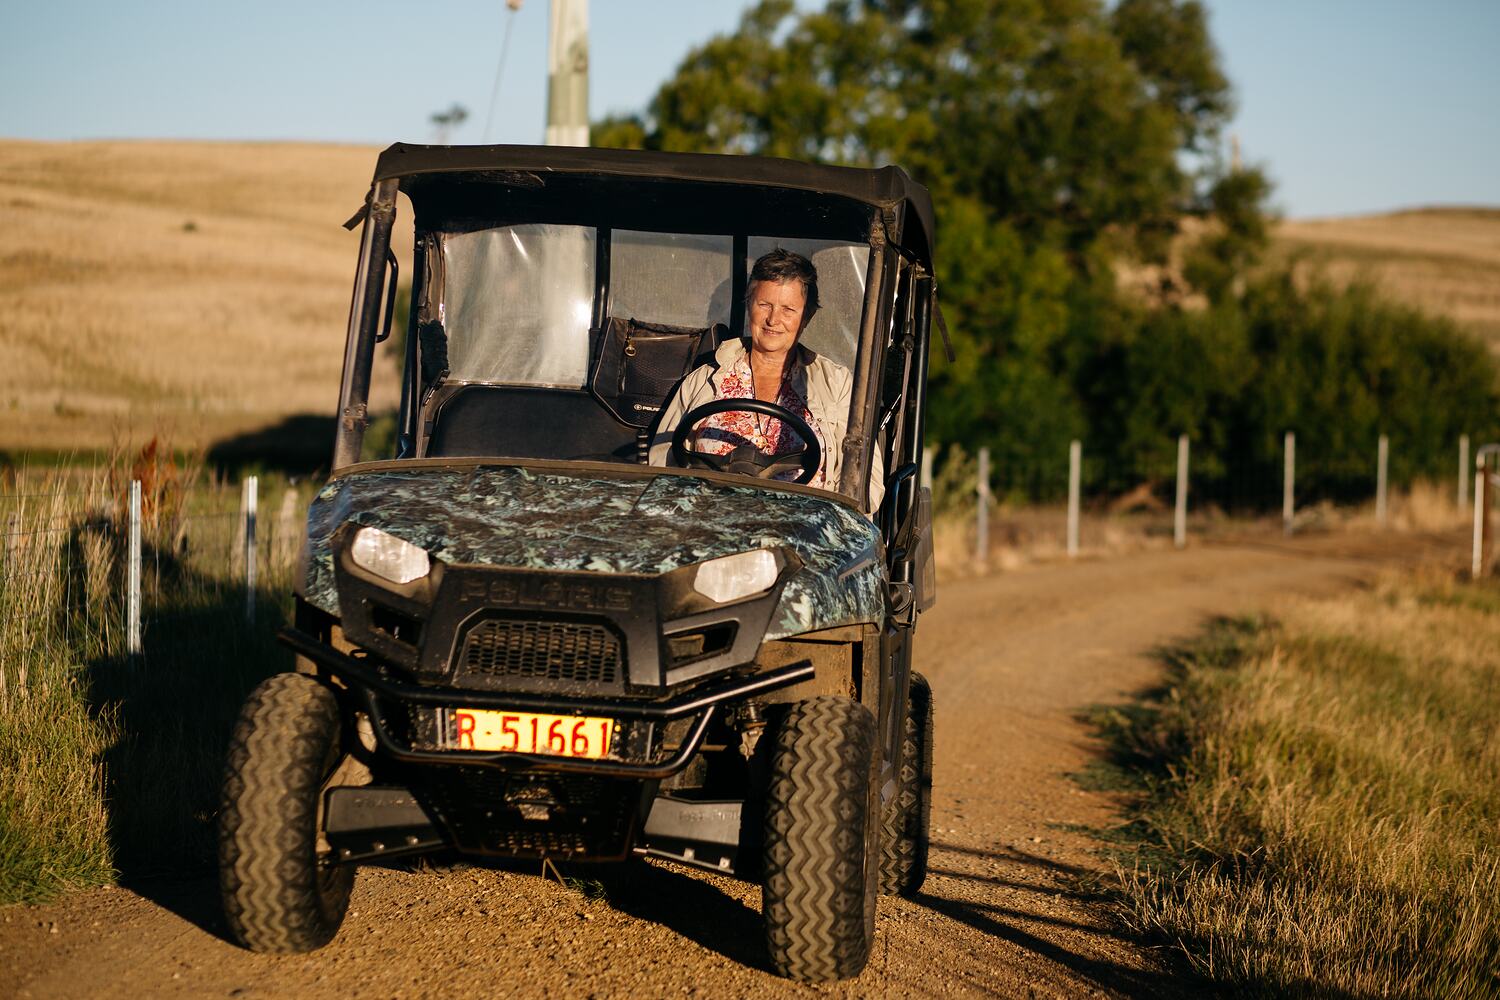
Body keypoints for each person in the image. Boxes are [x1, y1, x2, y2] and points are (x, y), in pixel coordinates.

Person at [649, 249, 884, 508]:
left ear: (806, 316)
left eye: (788, 309)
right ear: (749, 305)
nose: (773, 319)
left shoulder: (837, 385)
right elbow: (663, 467)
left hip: (802, 534)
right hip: (711, 528)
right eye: (764, 305)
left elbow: (865, 486)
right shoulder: (704, 380)